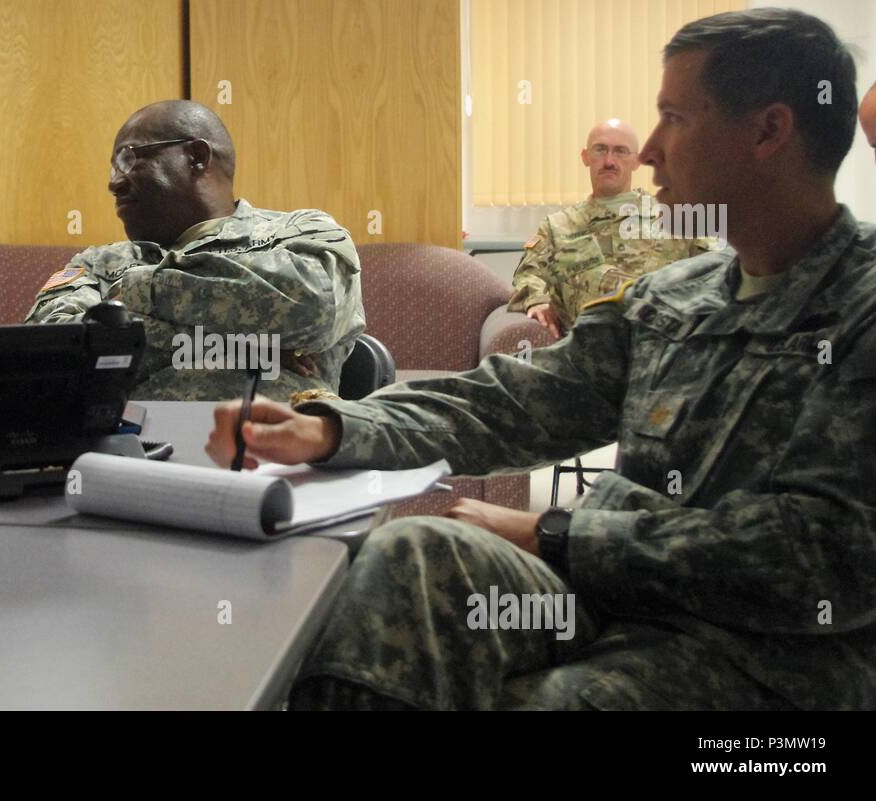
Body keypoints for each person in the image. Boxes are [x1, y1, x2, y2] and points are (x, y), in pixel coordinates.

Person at [205, 8, 874, 710]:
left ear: (768, 130)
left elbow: (829, 554)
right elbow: (513, 398)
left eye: (674, 117)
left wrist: (562, 534)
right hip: (613, 601)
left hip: (770, 662)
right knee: (413, 557)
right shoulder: (674, 299)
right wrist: (337, 426)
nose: (647, 150)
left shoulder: (860, 307)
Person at [26, 100, 364, 401]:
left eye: (128, 159)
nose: (114, 182)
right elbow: (51, 353)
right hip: (131, 460)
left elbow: (314, 307)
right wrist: (243, 348)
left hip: (273, 461)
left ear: (197, 157)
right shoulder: (98, 263)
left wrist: (134, 291)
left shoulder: (300, 232)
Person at [509, 118, 716, 338]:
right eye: (600, 150)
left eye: (620, 151)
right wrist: (538, 301)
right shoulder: (559, 226)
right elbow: (528, 274)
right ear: (585, 157)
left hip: (662, 347)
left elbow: (719, 271)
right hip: (586, 352)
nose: (609, 161)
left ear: (636, 161)